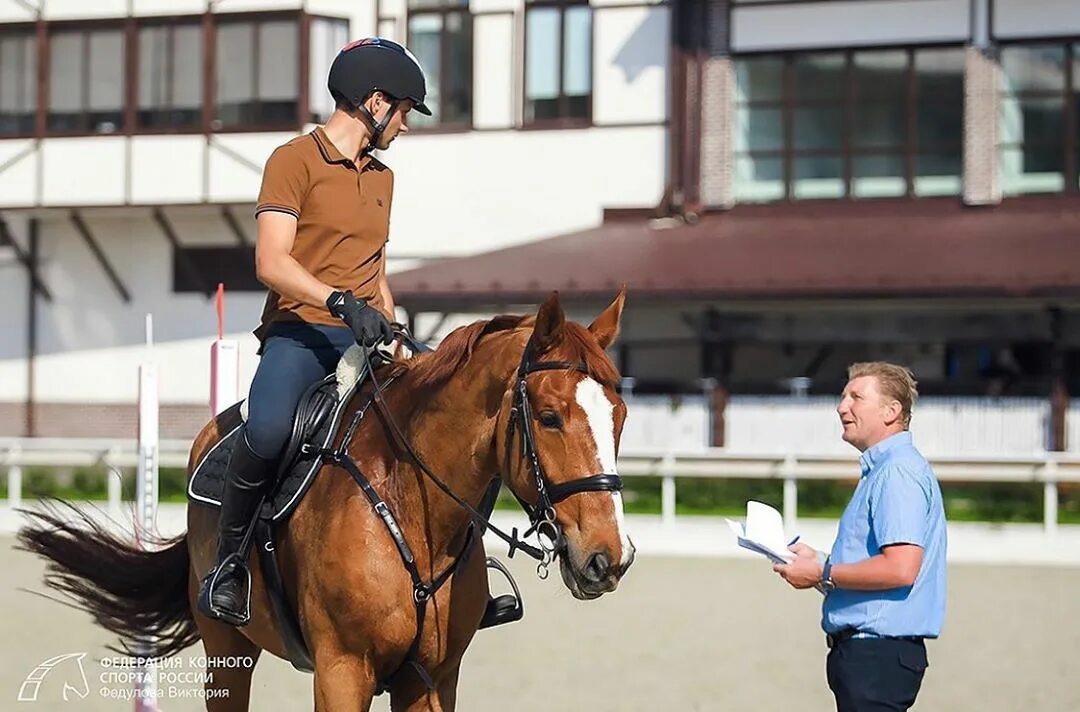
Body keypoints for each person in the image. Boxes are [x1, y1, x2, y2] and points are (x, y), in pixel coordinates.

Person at [197, 37, 431, 626]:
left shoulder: (384, 179)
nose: (405, 125)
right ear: (376, 102)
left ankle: (458, 574)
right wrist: (339, 302)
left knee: (441, 415)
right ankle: (229, 564)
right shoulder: (293, 161)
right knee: (269, 429)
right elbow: (271, 261)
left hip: (365, 338)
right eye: (404, 111)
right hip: (300, 333)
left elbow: (376, 272)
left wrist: (395, 332)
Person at [773, 362, 947, 712]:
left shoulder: (897, 472)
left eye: (856, 397)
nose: (842, 407)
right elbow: (877, 562)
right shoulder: (884, 470)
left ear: (891, 411)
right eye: (843, 397)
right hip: (870, 655)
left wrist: (823, 573)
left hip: (876, 654)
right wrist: (818, 563)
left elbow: (900, 569)